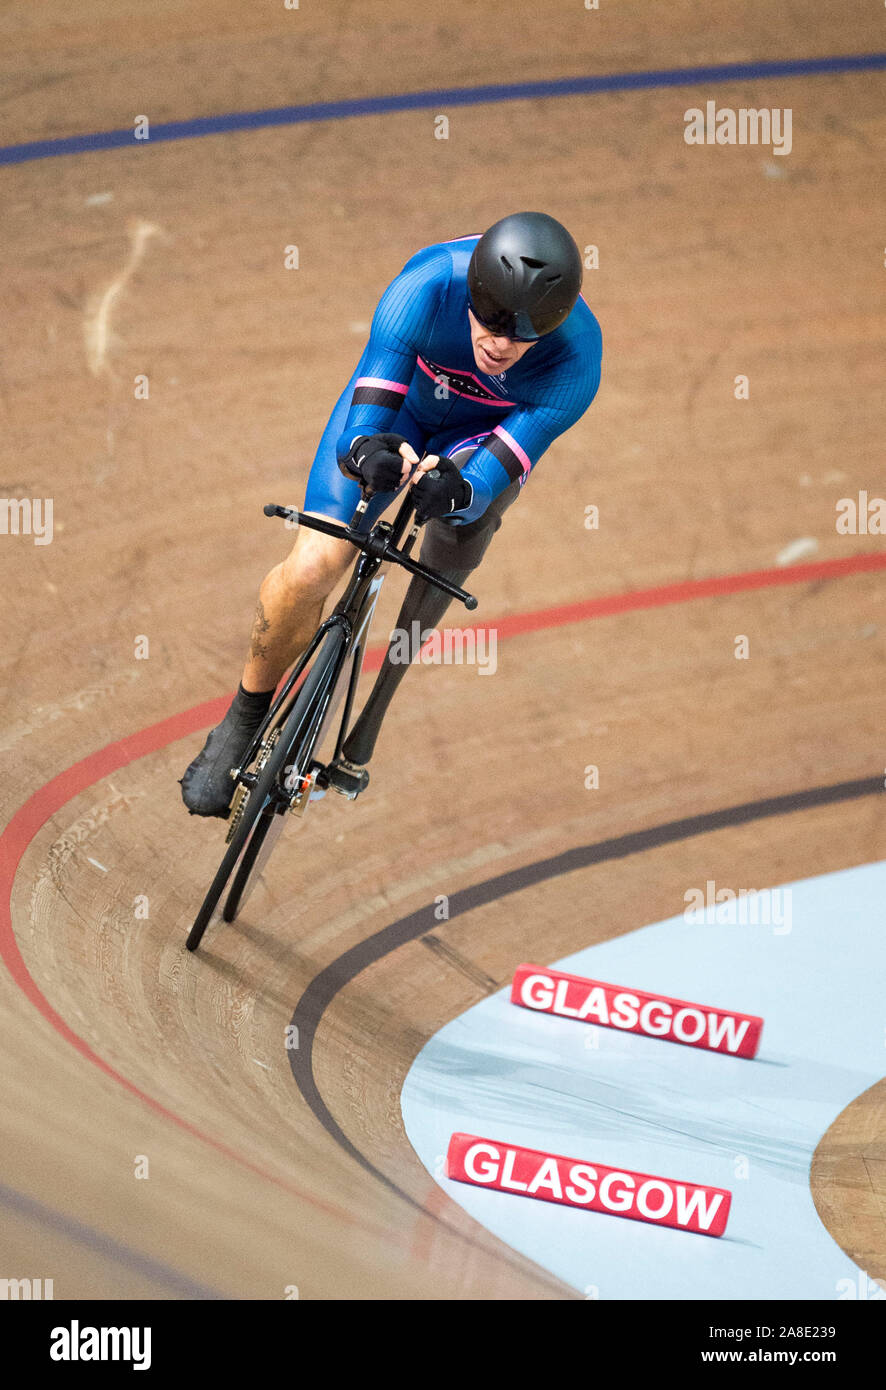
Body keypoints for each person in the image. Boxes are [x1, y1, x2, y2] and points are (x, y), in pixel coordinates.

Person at [181, 211, 602, 816]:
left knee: (459, 533)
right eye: (490, 321)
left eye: (526, 331)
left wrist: (461, 493)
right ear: (473, 293)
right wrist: (364, 448)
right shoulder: (428, 281)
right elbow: (370, 404)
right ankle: (243, 715)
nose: (502, 343)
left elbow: (497, 467)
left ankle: (374, 713)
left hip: (475, 443)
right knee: (312, 566)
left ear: (558, 321)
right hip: (403, 410)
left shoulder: (577, 360)